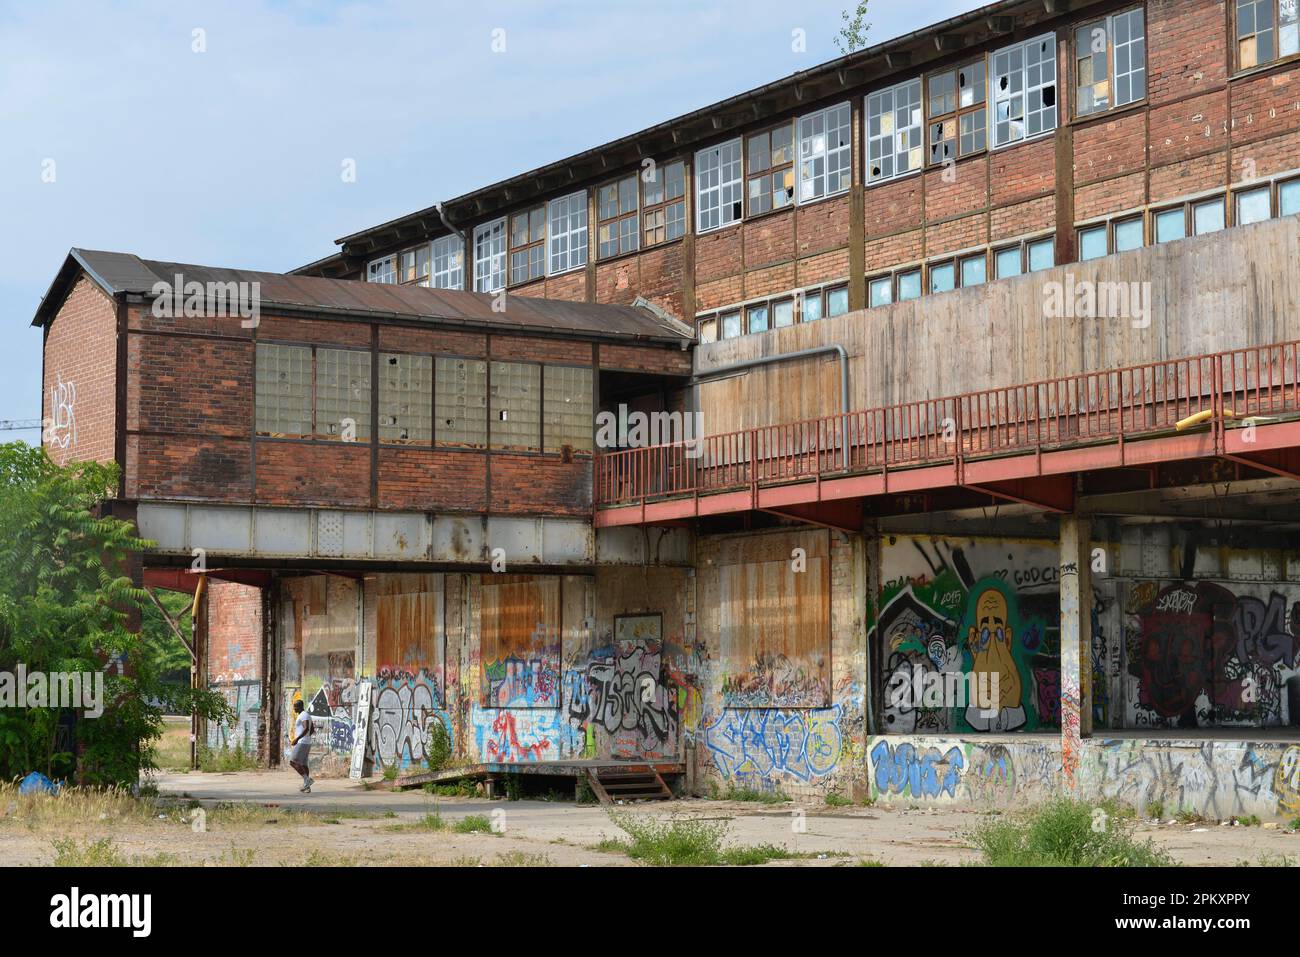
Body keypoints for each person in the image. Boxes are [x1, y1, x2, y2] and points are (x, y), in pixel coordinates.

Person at [288, 699, 315, 793]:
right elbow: (312, 730)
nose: (294, 708)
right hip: (306, 742)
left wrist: (297, 739)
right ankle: (307, 786)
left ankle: (307, 780)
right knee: (303, 764)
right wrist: (307, 737)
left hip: (302, 742)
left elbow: (306, 727)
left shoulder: (303, 715)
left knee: (292, 761)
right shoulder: (306, 715)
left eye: (295, 706)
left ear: (300, 707)